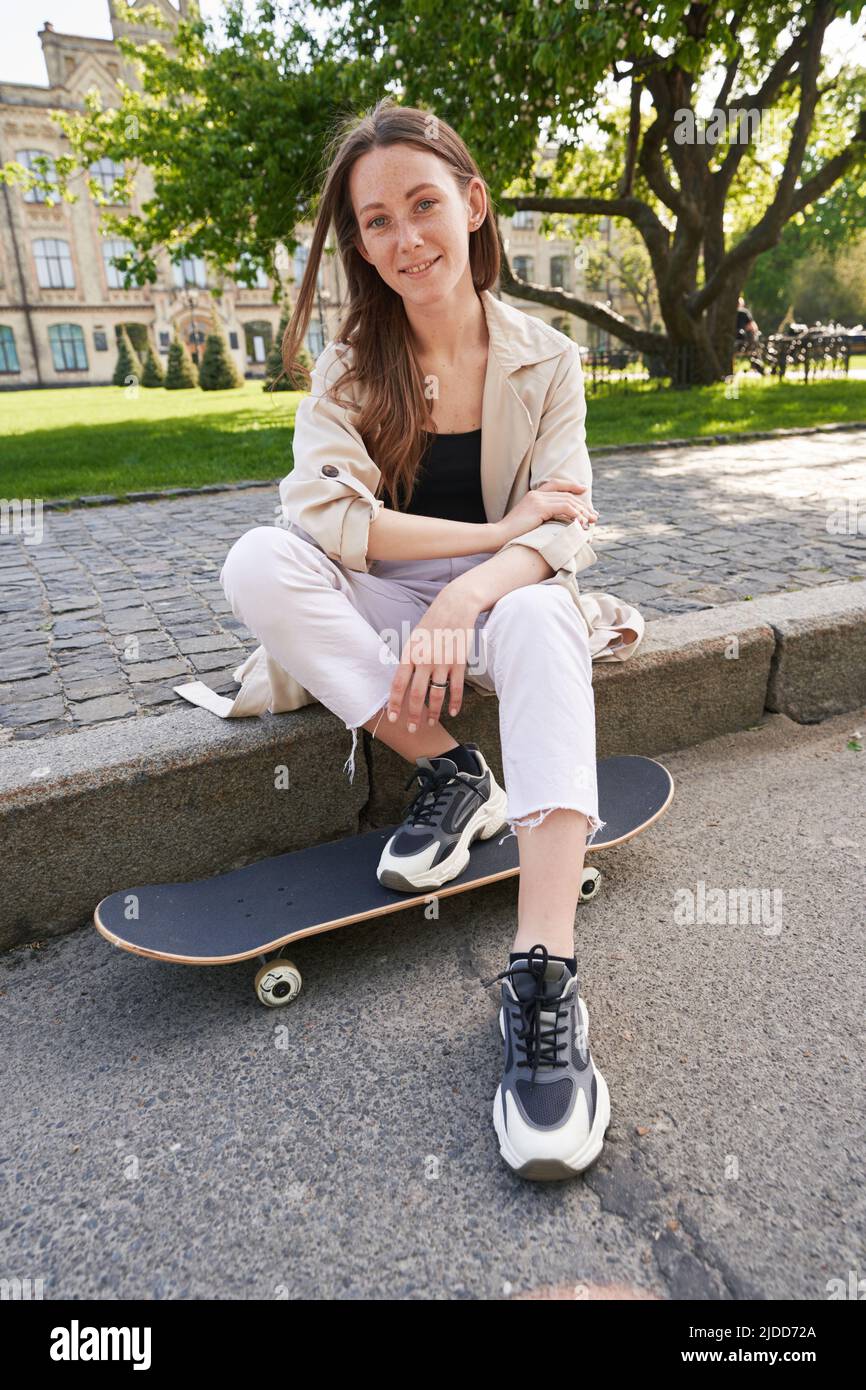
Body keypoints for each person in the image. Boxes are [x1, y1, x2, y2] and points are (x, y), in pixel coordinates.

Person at [210, 99, 645, 1181]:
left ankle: (543, 977)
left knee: (541, 608)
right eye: (375, 221)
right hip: (384, 609)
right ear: (357, 241)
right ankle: (449, 771)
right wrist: (502, 528)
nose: (405, 239)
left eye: (422, 205)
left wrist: (473, 586)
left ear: (471, 203)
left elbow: (565, 538)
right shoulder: (349, 368)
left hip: (498, 606)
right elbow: (324, 521)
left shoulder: (545, 360)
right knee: (254, 561)